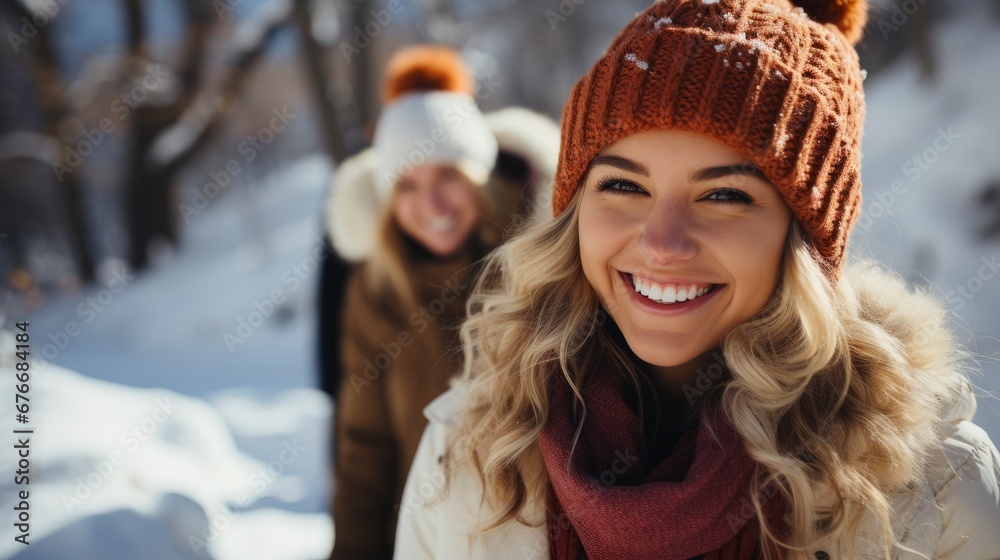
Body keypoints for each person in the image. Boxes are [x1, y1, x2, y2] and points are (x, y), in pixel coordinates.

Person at [395, 2, 1000, 559]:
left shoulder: (934, 489)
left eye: (725, 195)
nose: (661, 244)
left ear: (805, 241)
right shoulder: (469, 451)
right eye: (624, 186)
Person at [323, 45, 559, 559]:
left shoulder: (539, 261)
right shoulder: (375, 286)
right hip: (424, 533)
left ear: (479, 177)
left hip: (533, 528)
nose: (430, 206)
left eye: (448, 175)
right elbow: (365, 440)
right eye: (407, 184)